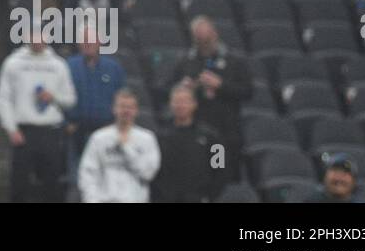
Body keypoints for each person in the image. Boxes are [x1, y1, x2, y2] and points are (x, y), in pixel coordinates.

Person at [0, 29, 76, 203]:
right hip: (24, 132)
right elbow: (2, 99)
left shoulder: (58, 65)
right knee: (19, 185)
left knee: (52, 185)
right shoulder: (13, 63)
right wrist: (11, 128)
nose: (38, 40)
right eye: (34, 35)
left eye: (41, 35)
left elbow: (70, 99)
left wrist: (53, 97)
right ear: (27, 37)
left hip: (51, 131)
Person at [172, 16, 252, 182]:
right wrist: (184, 87)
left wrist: (221, 85)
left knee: (221, 176)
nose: (204, 44)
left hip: (224, 133)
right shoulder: (186, 62)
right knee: (196, 176)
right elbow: (165, 88)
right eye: (199, 40)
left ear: (215, 34)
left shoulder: (233, 62)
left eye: (207, 39)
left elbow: (247, 91)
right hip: (195, 132)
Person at [77, 89, 161, 203]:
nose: (126, 111)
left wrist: (126, 148)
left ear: (136, 110)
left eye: (130, 107)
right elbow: (88, 173)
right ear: (114, 109)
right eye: (122, 106)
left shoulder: (147, 138)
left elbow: (148, 173)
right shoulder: (99, 138)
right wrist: (91, 200)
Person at [153, 81, 224, 202]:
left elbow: (220, 170)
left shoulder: (212, 137)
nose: (180, 105)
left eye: (184, 101)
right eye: (176, 101)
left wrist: (210, 196)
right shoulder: (159, 136)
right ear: (170, 104)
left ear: (194, 104)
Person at [65, 31, 127, 166]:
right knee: (77, 172)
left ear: (100, 42)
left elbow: (123, 98)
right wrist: (66, 123)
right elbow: (58, 95)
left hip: (106, 130)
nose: (88, 43)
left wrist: (118, 125)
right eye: (84, 40)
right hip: (76, 132)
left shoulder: (114, 68)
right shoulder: (68, 66)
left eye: (92, 39)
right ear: (78, 43)